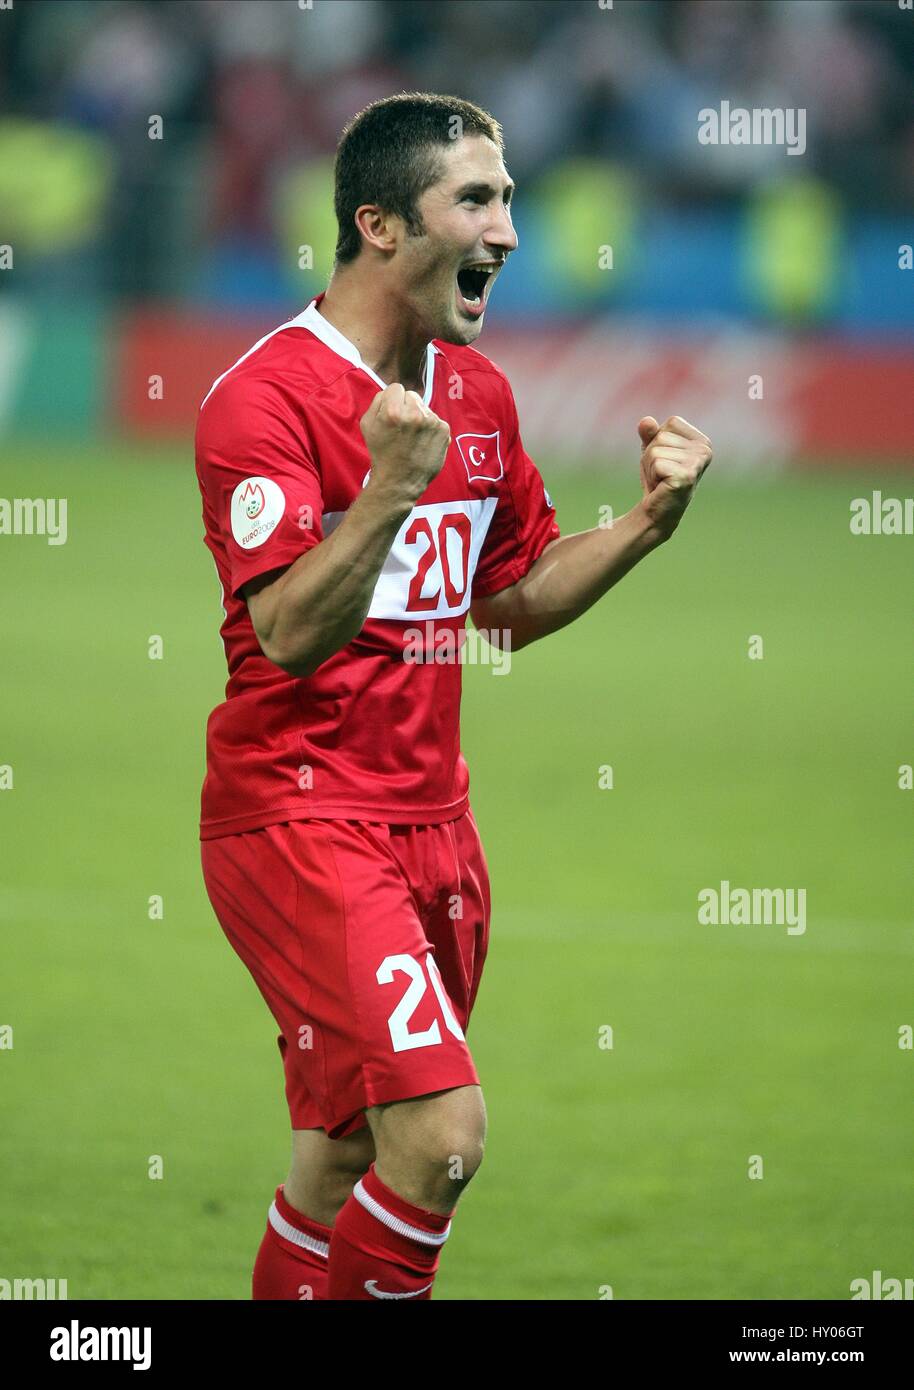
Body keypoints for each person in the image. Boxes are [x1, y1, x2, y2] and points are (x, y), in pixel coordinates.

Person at [195, 91, 712, 1301]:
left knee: (339, 1165)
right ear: (379, 225)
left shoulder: (473, 397)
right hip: (299, 821)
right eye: (476, 199)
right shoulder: (261, 400)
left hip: (436, 828)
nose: (510, 231)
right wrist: (384, 492)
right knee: (441, 1142)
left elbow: (507, 601)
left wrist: (640, 525)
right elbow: (282, 634)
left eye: (510, 199)